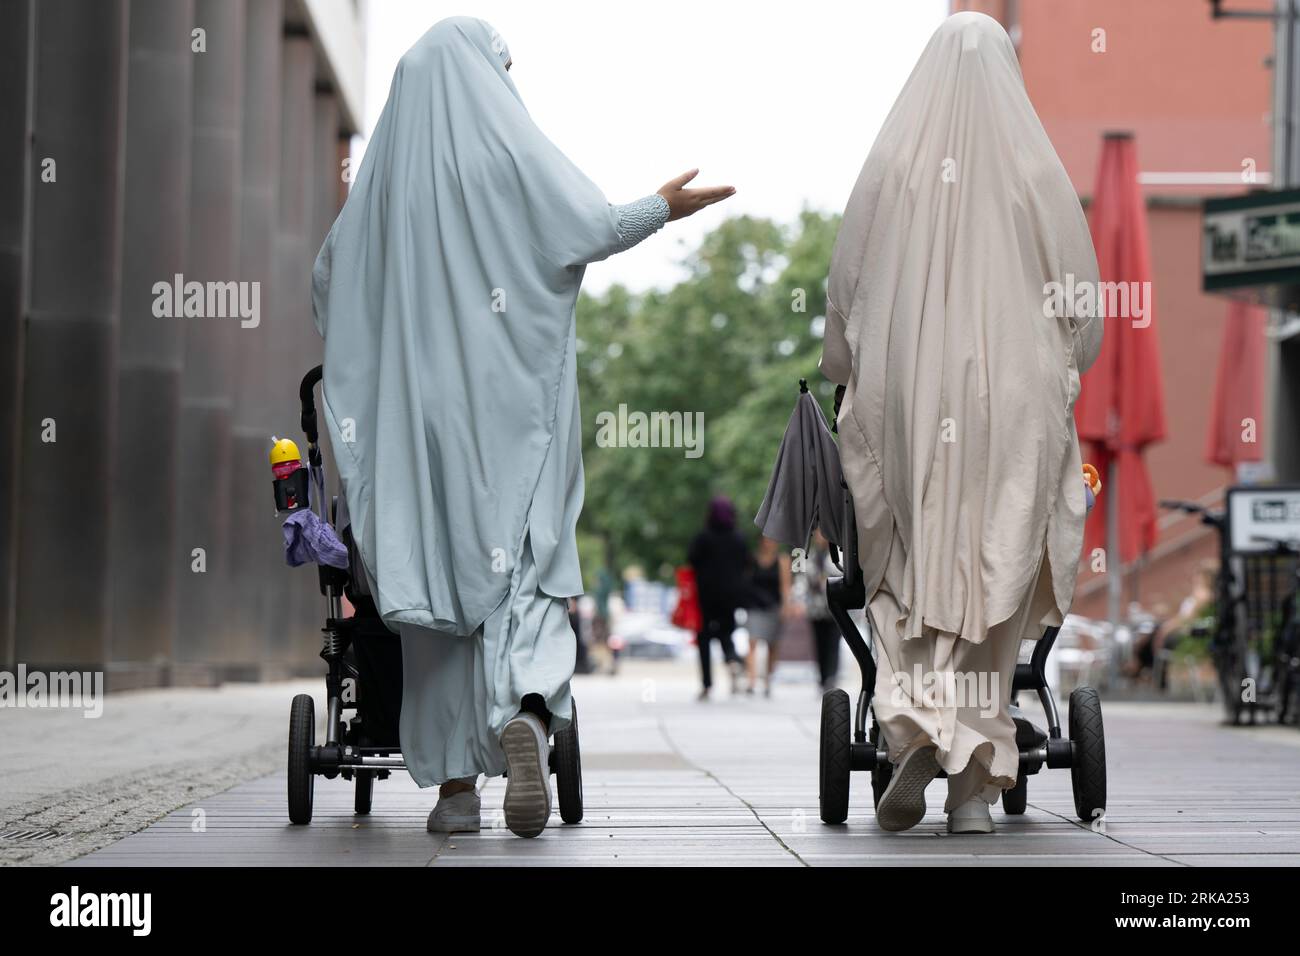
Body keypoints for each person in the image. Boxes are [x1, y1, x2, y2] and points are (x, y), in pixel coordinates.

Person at [311, 17, 733, 838]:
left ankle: (456, 795)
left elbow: (327, 288)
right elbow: (592, 229)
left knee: (434, 602)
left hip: (414, 438)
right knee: (524, 574)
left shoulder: (382, 186)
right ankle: (528, 719)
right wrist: (663, 206)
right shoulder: (506, 150)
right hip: (513, 421)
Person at [819, 12, 1103, 835]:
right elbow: (1082, 307)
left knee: (904, 570)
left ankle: (909, 729)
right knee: (995, 570)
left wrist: (850, 370)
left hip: (904, 404)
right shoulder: (1035, 168)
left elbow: (844, 299)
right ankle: (974, 790)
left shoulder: (891, 164)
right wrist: (1062, 366)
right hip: (1015, 400)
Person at [688, 497, 750, 699]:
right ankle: (732, 660)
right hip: (731, 596)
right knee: (726, 633)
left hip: (705, 596)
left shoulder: (703, 537)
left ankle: (707, 685)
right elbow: (745, 564)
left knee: (704, 638)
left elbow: (691, 561)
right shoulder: (738, 538)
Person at [744, 536, 793, 696]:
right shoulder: (752, 559)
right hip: (754, 606)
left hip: (773, 607)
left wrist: (786, 606)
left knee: (772, 645)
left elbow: (785, 586)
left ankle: (767, 680)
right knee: (752, 642)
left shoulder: (782, 561)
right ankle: (751, 681)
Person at [802, 531, 842, 692]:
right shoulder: (811, 555)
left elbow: (840, 574)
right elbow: (806, 578)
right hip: (816, 609)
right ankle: (822, 677)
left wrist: (823, 579)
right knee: (819, 643)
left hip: (834, 608)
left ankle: (831, 677)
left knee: (833, 643)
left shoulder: (839, 554)